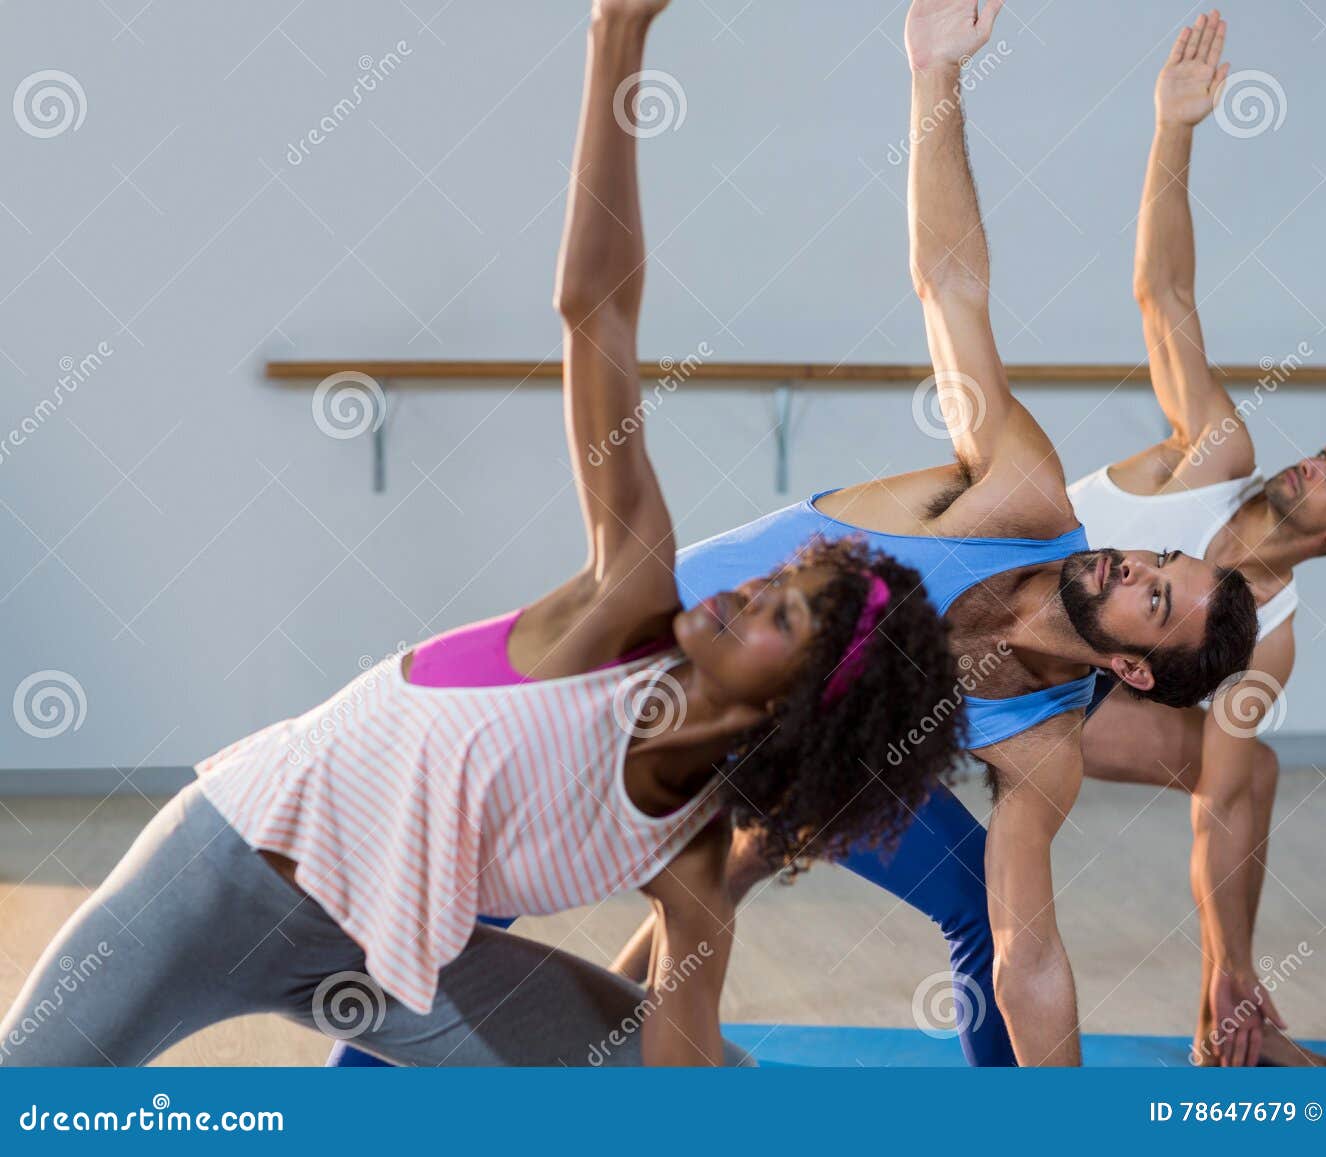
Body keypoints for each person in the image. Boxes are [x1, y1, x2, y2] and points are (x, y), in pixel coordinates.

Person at [0, 0, 965, 1068]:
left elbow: (683, 1062)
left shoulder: (690, 845)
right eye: (775, 578)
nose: (742, 589)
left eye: (779, 610)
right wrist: (618, 34)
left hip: (382, 963)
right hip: (228, 870)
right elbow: (595, 313)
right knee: (26, 1099)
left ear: (796, 704)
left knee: (700, 1084)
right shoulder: (626, 603)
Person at [330, 0, 1259, 1072]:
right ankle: (361, 1105)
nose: (1130, 560)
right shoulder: (1017, 497)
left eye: (1151, 592)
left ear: (1131, 668)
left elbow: (1027, 945)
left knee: (955, 895)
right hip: (649, 669)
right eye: (1157, 558)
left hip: (781, 744)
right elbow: (951, 287)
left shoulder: (1042, 747)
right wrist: (934, 78)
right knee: (479, 899)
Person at [1071, 10, 1326, 1067]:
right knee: (1247, 772)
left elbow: (1216, 800)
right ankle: (1233, 1007)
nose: (1313, 463)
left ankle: (1226, 1006)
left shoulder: (1270, 635)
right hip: (989, 633)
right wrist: (1173, 129)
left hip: (1065, 691)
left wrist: (1228, 961)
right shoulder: (1214, 450)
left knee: (1244, 772)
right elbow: (1160, 293)